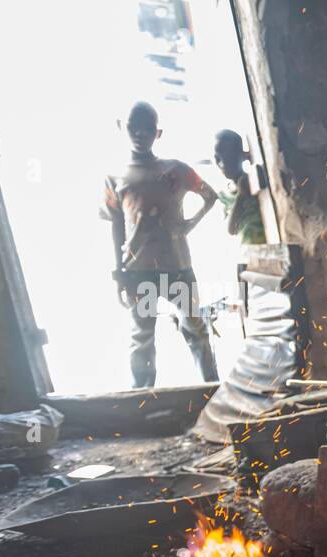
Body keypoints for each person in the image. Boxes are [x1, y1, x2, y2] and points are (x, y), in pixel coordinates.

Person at [102, 101, 219, 387]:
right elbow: (116, 225)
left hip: (177, 266)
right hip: (138, 270)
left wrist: (189, 224)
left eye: (148, 128)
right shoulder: (115, 178)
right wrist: (118, 272)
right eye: (133, 127)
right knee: (142, 336)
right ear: (122, 127)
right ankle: (142, 398)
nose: (140, 133)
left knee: (195, 328)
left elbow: (211, 195)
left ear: (159, 133)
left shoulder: (176, 170)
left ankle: (212, 389)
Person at [213, 129, 266, 245]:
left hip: (269, 243)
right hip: (248, 253)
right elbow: (231, 230)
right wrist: (240, 197)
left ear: (242, 155)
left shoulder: (255, 180)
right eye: (218, 158)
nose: (222, 164)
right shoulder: (224, 196)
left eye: (229, 156)